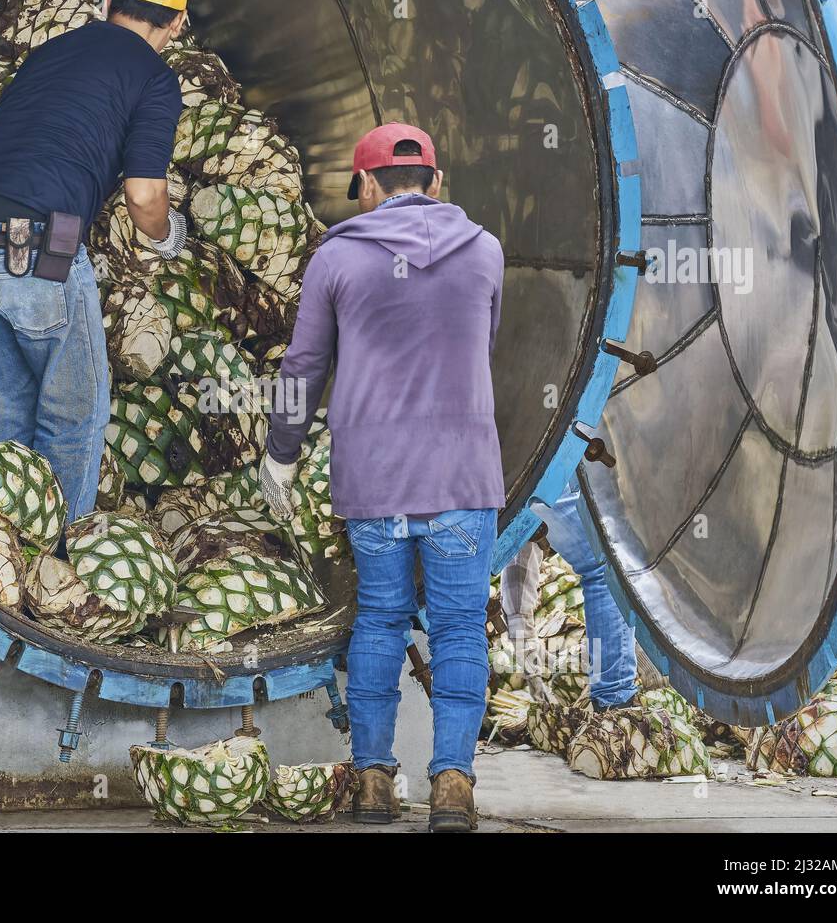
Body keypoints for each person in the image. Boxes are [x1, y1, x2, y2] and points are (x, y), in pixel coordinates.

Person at [259, 123, 505, 833]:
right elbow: (481, 346)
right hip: (462, 475)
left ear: (367, 186)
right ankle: (453, 785)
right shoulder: (485, 251)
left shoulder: (336, 258)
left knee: (380, 620)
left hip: (374, 478)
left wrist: (282, 453)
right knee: (460, 629)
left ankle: (373, 781)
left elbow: (302, 368)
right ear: (436, 181)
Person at [0, 0, 191, 519]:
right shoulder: (154, 77)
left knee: (7, 416)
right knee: (75, 413)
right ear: (177, 23)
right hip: (35, 249)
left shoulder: (54, 49)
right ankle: (55, 559)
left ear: (108, 0)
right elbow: (145, 195)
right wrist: (167, 239)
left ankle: (0, 548)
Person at [500, 479, 641, 710]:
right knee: (604, 565)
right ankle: (615, 703)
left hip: (498, 476)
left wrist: (521, 631)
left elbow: (520, 533)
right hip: (540, 466)